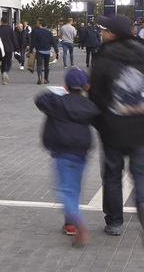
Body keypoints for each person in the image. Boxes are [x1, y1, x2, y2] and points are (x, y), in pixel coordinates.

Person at [88, 14, 144, 241]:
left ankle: (114, 221)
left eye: (104, 30)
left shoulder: (103, 59)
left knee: (112, 174)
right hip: (142, 126)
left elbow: (94, 96)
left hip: (112, 127)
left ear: (113, 33)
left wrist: (102, 122)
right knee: (140, 170)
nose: (101, 33)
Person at [35, 66, 99, 247]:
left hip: (61, 151)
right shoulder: (89, 106)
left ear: (66, 85)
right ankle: (70, 223)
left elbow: (40, 99)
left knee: (64, 189)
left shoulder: (56, 103)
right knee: (75, 188)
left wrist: (62, 91)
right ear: (86, 86)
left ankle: (76, 221)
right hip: (81, 152)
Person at [31, 19, 55, 85]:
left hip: (39, 51)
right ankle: (46, 79)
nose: (37, 25)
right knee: (46, 65)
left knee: (39, 64)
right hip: (47, 51)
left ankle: (40, 77)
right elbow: (53, 42)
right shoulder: (49, 32)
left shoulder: (37, 32)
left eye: (38, 23)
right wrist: (57, 51)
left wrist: (30, 50)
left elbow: (33, 42)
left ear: (40, 24)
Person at [0, 14, 19, 85]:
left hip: (0, 49)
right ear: (7, 22)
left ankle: (4, 79)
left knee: (2, 64)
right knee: (9, 63)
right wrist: (17, 49)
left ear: (1, 21)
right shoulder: (10, 29)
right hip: (9, 48)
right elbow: (14, 39)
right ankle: (5, 72)